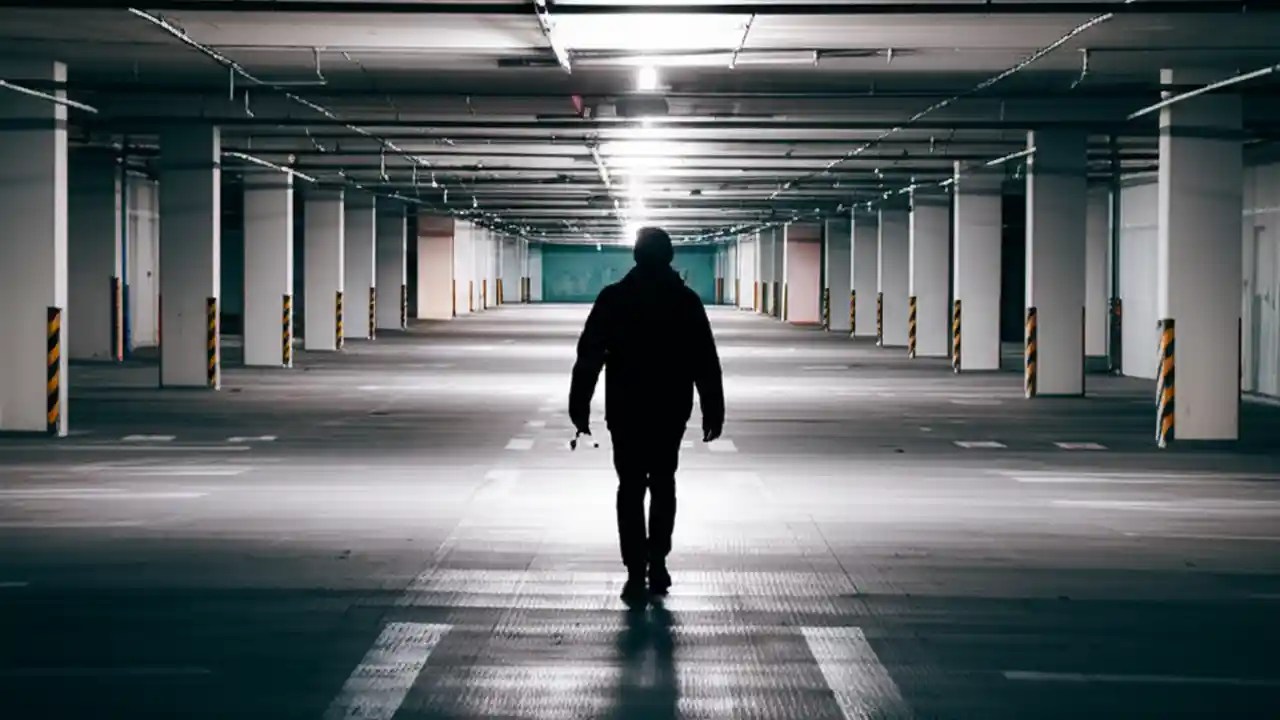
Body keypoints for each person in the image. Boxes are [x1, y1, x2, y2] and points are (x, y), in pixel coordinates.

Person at [569, 226, 725, 602]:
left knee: (630, 487)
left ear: (636, 256)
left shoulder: (614, 298)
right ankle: (658, 561)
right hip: (670, 409)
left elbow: (589, 354)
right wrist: (712, 407)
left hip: (626, 408)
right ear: (669, 257)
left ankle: (635, 570)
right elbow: (705, 358)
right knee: (664, 483)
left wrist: (580, 403)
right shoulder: (685, 301)